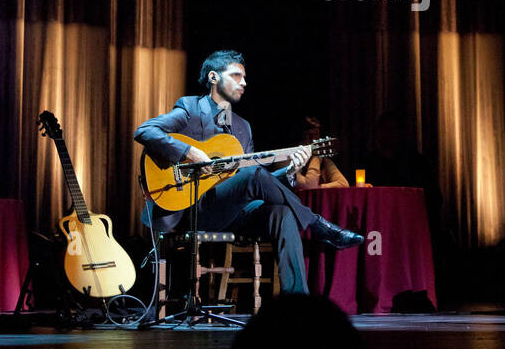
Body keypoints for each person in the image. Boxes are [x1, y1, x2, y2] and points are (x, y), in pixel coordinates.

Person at [134, 50, 363, 296]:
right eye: (236, 75)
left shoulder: (243, 127)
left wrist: (289, 172)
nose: (244, 82)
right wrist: (190, 152)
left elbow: (257, 182)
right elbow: (145, 131)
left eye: (244, 77)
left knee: (282, 213)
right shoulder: (189, 109)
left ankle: (297, 301)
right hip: (193, 207)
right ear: (213, 77)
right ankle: (316, 224)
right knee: (254, 176)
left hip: (234, 212)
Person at [290, 115, 348, 189]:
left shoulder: (323, 161)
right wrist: (316, 157)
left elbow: (343, 184)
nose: (313, 139)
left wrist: (320, 187)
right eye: (309, 135)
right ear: (301, 137)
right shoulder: (288, 160)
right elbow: (309, 186)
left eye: (316, 135)